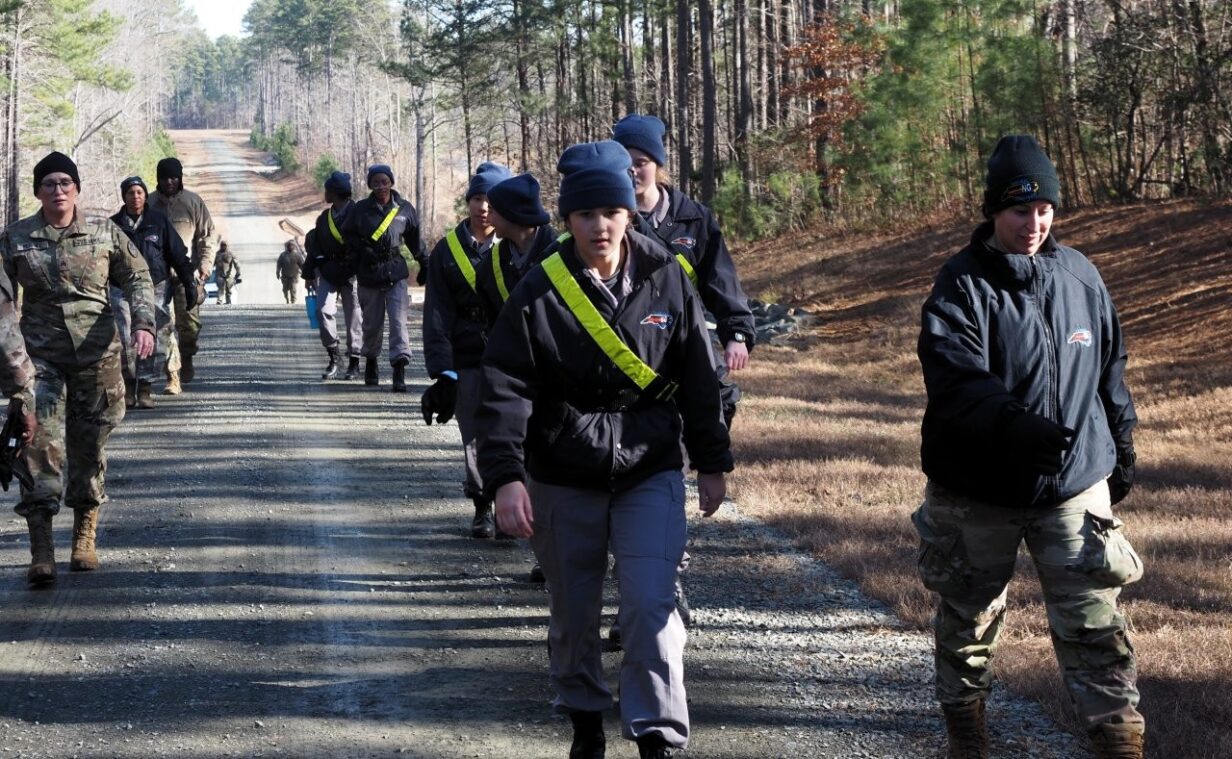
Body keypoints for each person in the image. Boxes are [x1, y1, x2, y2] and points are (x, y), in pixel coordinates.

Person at [476, 141, 732, 759]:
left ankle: (657, 735)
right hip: (564, 471)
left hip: (650, 466)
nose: (599, 226)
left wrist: (713, 459)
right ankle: (585, 720)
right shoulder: (541, 288)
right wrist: (507, 477)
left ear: (628, 215)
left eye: (610, 212)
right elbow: (506, 386)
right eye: (585, 214)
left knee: (652, 603)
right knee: (574, 612)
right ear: (567, 221)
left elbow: (700, 372)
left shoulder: (667, 275)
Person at [915, 135, 1144, 759]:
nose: (1034, 223)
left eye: (1044, 209)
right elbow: (954, 376)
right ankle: (967, 737)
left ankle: (1120, 745)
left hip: (1073, 485)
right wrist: (1013, 425)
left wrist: (1121, 448)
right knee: (968, 623)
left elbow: (1109, 370)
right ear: (994, 211)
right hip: (977, 490)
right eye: (1020, 210)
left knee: (1096, 628)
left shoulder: (1080, 276)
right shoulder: (961, 283)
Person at [608, 113, 757, 633]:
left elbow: (724, 283)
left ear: (659, 166)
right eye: (623, 164)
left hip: (693, 365)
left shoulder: (696, 220)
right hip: (634, 370)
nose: (632, 174)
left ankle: (664, 578)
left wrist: (737, 332)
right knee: (641, 480)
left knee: (675, 477)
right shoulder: (610, 219)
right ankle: (650, 587)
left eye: (641, 164)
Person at [0, 152, 156, 585]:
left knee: (88, 449)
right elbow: (2, 306)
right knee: (38, 449)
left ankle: (84, 536)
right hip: (40, 360)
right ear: (37, 191)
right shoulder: (14, 238)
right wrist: (16, 371)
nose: (58, 190)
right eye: (48, 183)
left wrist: (144, 323)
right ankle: (42, 549)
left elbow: (139, 277)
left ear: (77, 189)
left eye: (65, 182)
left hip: (97, 357)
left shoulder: (106, 232)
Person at [421, 161, 511, 538]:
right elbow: (437, 312)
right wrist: (443, 370)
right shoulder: (447, 251)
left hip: (511, 356)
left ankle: (510, 506)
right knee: (472, 433)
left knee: (511, 432)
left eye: (491, 199)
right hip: (467, 354)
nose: (484, 207)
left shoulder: (518, 247)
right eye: (477, 198)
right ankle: (482, 506)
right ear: (468, 202)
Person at [110, 176, 197, 409]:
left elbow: (177, 253)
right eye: (131, 193)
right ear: (124, 196)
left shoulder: (158, 222)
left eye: (140, 192)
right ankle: (128, 388)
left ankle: (146, 388)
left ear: (145, 196)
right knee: (126, 334)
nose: (135, 197)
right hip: (121, 289)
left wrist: (189, 283)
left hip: (156, 286)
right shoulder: (113, 226)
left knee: (153, 337)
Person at [341, 164, 425, 392]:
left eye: (384, 181)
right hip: (369, 273)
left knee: (399, 323)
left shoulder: (405, 209)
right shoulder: (360, 209)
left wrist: (423, 261)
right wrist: (360, 249)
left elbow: (415, 238)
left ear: (391, 182)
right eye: (375, 182)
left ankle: (399, 370)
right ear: (370, 184)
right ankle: (371, 362)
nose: (380, 186)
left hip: (395, 273)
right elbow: (347, 235)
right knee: (371, 324)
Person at [148, 156, 216, 394]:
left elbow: (207, 237)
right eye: (165, 177)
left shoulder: (193, 203)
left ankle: (187, 355)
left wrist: (204, 266)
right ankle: (172, 376)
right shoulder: (148, 204)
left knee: (189, 326)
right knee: (164, 327)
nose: (169, 182)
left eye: (174, 177)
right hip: (157, 278)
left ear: (180, 178)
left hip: (187, 275)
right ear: (158, 179)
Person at [303, 171, 363, 380]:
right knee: (322, 311)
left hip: (352, 274)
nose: (325, 193)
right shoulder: (324, 218)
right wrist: (309, 272)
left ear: (335, 193)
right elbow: (314, 245)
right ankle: (334, 357)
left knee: (354, 316)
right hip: (328, 271)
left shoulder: (359, 214)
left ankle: (354, 361)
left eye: (327, 190)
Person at [213, 240, 241, 304]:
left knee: (229, 289)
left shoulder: (230, 254)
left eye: (224, 245)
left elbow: (236, 263)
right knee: (221, 288)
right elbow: (212, 263)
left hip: (228, 274)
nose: (223, 247)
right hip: (219, 274)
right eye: (222, 245)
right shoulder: (217, 254)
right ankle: (219, 300)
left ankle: (228, 301)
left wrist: (238, 271)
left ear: (227, 246)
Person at [276, 240, 304, 304]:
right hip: (285, 276)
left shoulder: (297, 255)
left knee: (293, 289)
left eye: (292, 245)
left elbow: (302, 265)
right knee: (285, 290)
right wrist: (277, 272)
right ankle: (287, 299)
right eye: (289, 245)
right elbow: (279, 264)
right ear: (287, 247)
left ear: (294, 247)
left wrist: (304, 272)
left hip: (294, 276)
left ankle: (293, 301)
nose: (290, 247)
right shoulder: (283, 255)